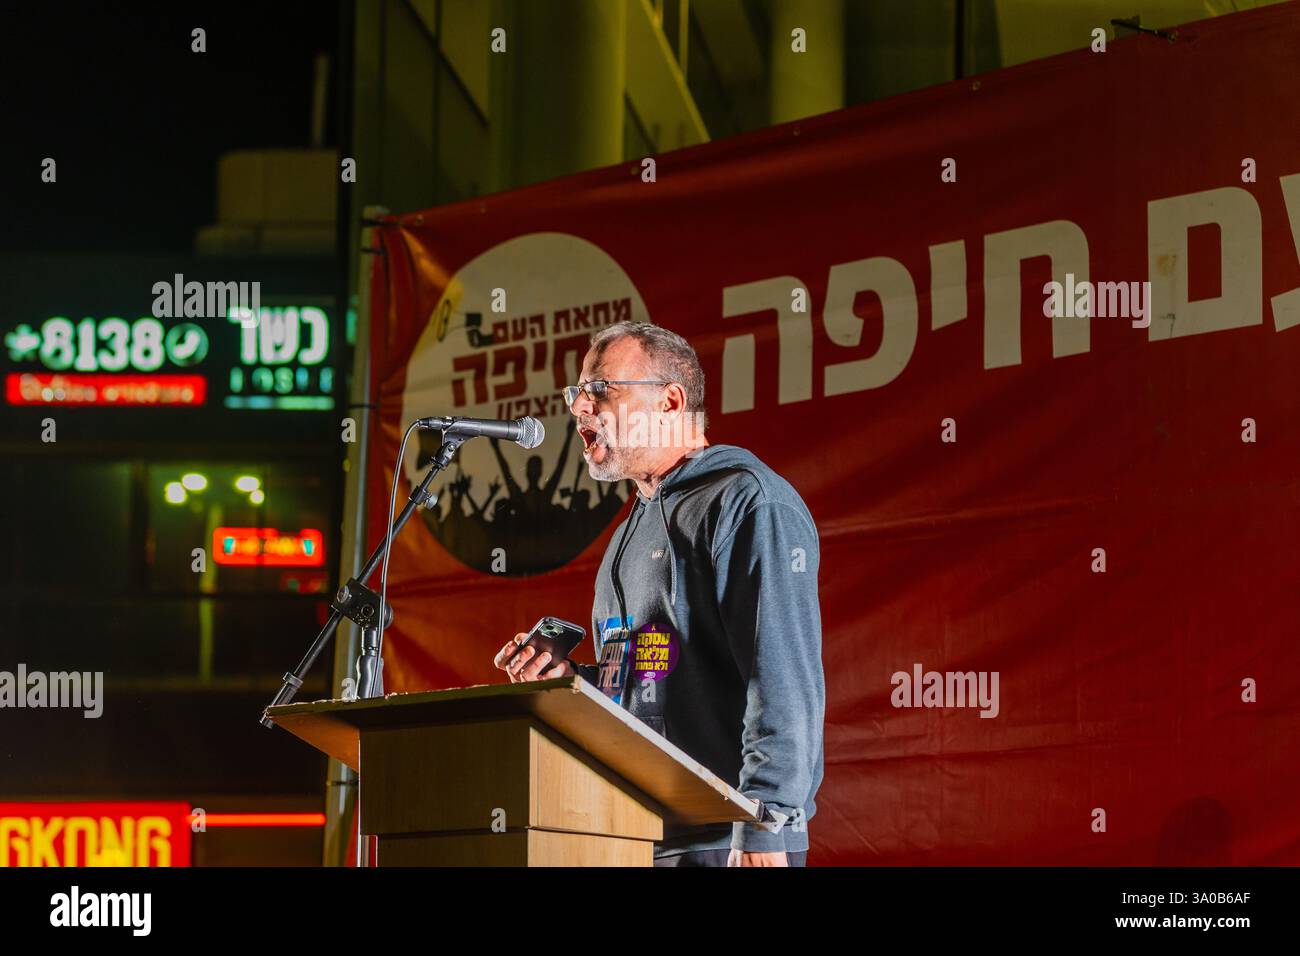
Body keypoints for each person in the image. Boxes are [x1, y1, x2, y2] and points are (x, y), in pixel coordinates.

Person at [493, 321, 824, 867]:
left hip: (727, 843)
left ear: (670, 401)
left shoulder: (747, 503)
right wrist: (572, 680)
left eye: (601, 390)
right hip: (638, 837)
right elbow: (647, 682)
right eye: (577, 393)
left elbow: (783, 679)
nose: (580, 408)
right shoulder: (628, 532)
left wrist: (768, 827)